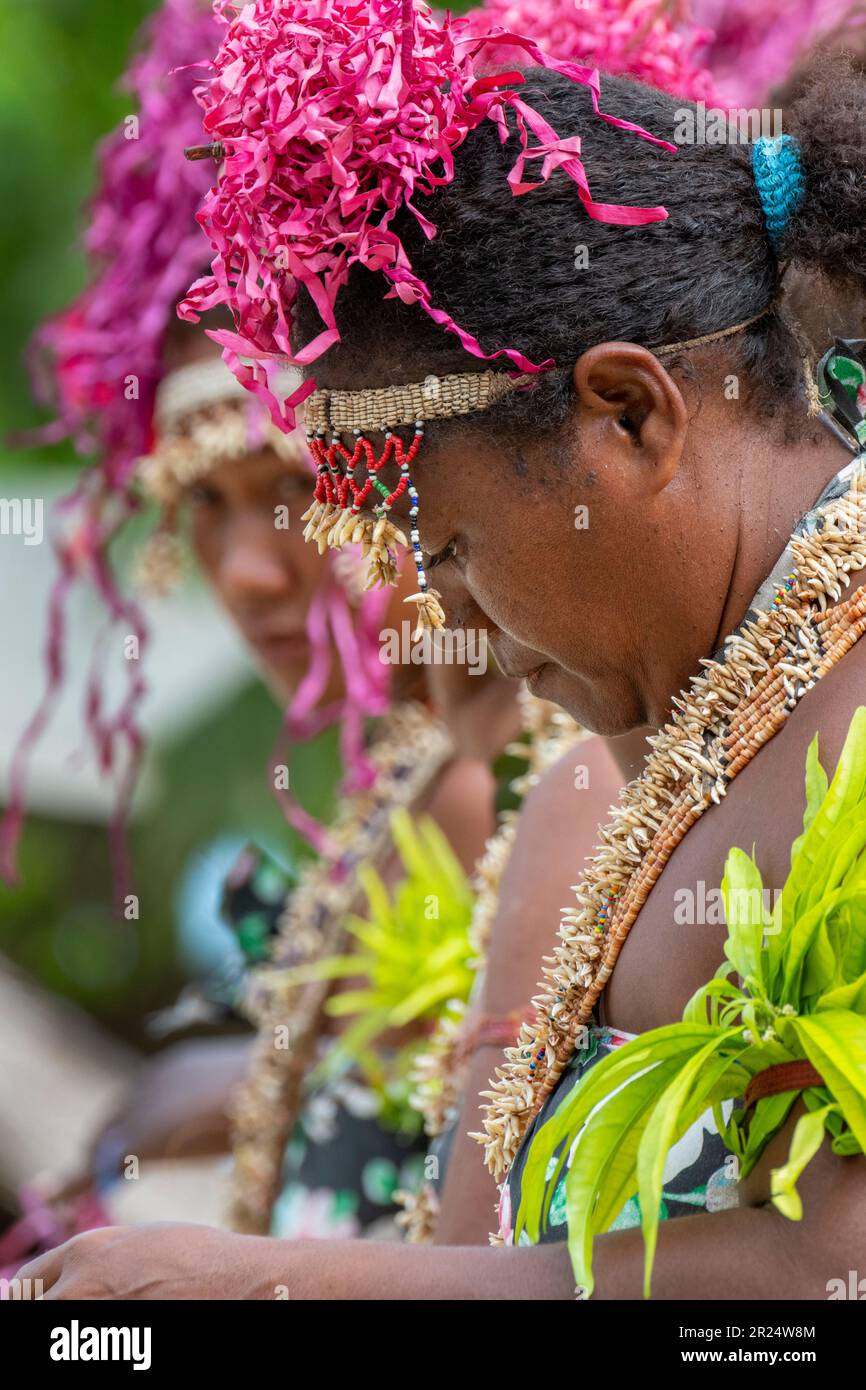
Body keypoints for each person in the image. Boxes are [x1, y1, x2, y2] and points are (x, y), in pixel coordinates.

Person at [21, 1, 866, 1299]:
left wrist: (270, 1283)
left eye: (453, 544)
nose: (439, 610)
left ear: (629, 416)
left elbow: (834, 1268)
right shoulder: (670, 736)